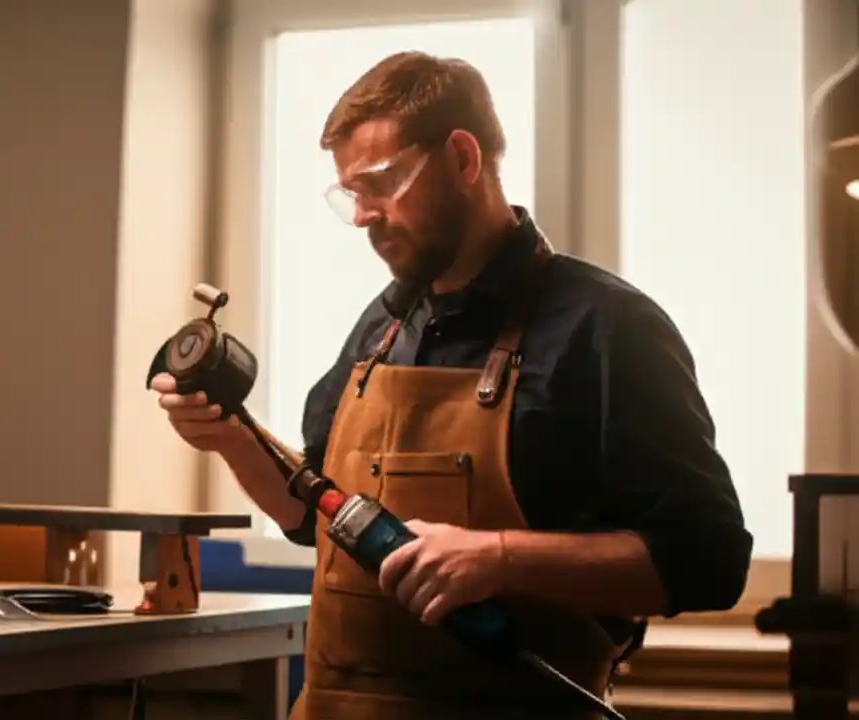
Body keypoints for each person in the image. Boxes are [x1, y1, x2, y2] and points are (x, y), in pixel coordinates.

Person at [150, 52, 752, 719]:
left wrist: (498, 558)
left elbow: (710, 561)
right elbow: (317, 519)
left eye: (380, 183)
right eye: (350, 194)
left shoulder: (606, 328)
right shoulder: (381, 327)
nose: (363, 216)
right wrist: (232, 438)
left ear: (464, 159)